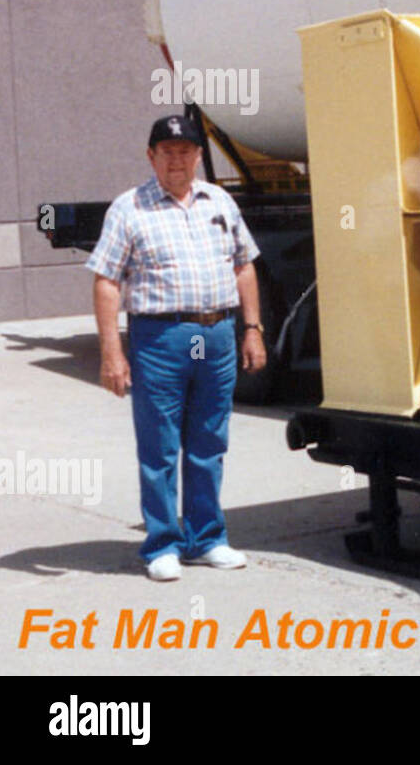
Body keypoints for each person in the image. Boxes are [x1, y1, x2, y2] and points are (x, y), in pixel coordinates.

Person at [86, 114, 267, 581]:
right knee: (160, 444)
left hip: (215, 336)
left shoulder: (220, 201)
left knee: (209, 440)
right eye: (166, 152)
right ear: (151, 157)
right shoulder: (130, 208)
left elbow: (244, 267)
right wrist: (112, 352)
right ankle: (162, 544)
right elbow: (107, 281)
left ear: (198, 157)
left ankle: (207, 538)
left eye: (185, 152)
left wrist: (252, 329)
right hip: (161, 339)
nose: (176, 161)